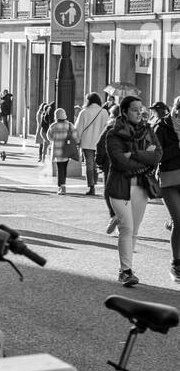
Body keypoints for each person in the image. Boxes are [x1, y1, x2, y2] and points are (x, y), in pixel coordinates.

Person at [104, 95, 161, 287]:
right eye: (134, 109)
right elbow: (120, 161)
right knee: (127, 228)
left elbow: (157, 155)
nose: (139, 112)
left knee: (134, 230)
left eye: (140, 109)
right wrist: (145, 157)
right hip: (120, 187)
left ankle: (125, 268)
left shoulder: (148, 130)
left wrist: (135, 154)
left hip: (141, 187)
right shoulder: (113, 134)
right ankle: (126, 272)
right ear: (125, 112)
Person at [154, 98, 180, 282]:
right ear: (176, 110)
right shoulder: (161, 127)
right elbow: (156, 155)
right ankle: (176, 263)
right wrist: (177, 147)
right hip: (169, 179)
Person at [74, 92, 110, 195]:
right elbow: (106, 127)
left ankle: (91, 186)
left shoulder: (84, 112)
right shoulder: (104, 112)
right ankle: (98, 183)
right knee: (98, 164)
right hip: (101, 142)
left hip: (87, 142)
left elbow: (78, 128)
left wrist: (77, 140)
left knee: (89, 164)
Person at [45, 107, 79, 194]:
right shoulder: (69, 125)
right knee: (64, 168)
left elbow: (49, 137)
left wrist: (56, 139)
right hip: (67, 150)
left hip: (57, 151)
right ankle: (62, 185)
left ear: (56, 116)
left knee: (60, 168)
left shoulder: (53, 126)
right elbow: (75, 136)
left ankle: (61, 186)